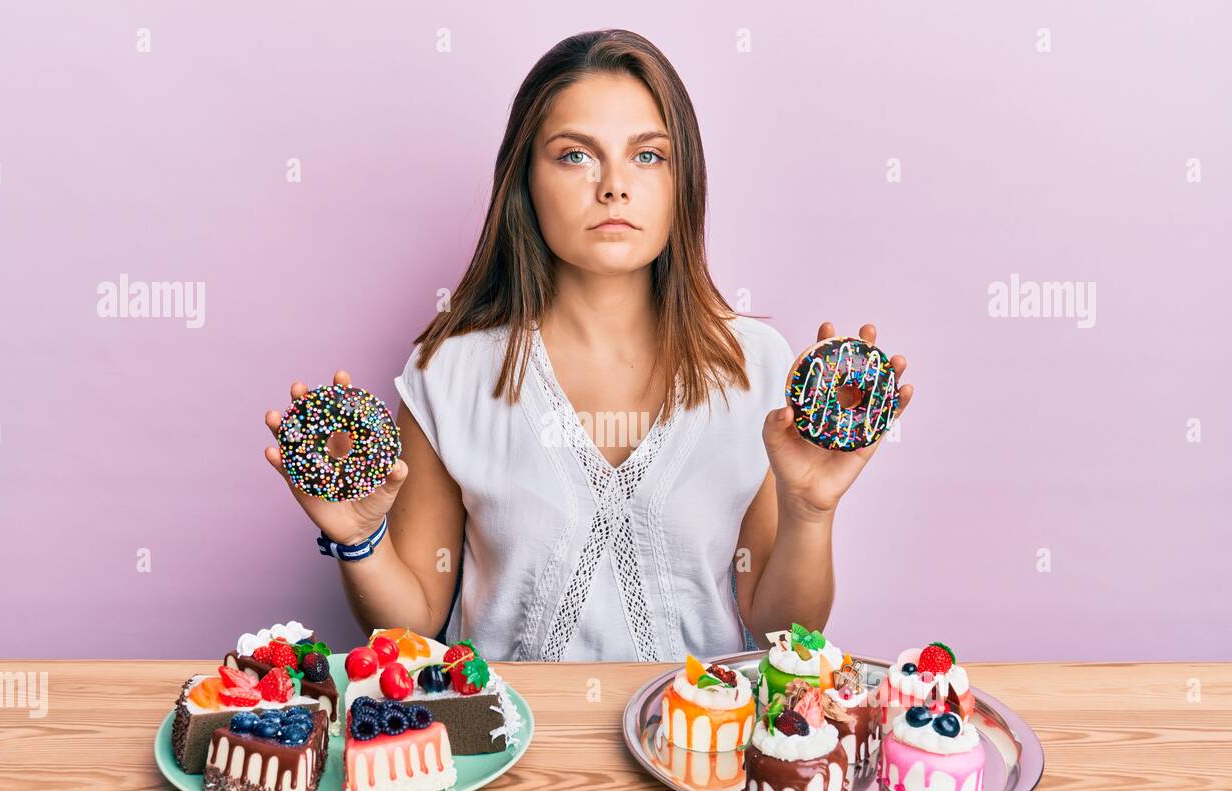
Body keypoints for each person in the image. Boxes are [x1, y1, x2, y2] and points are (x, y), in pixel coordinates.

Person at [264, 29, 912, 662]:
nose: (613, 185)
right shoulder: (450, 373)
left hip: (697, 748)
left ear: (682, 180)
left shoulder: (755, 366)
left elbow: (780, 631)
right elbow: (414, 623)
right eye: (576, 154)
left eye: (648, 155)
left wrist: (808, 511)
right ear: (525, 180)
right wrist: (359, 541)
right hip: (509, 749)